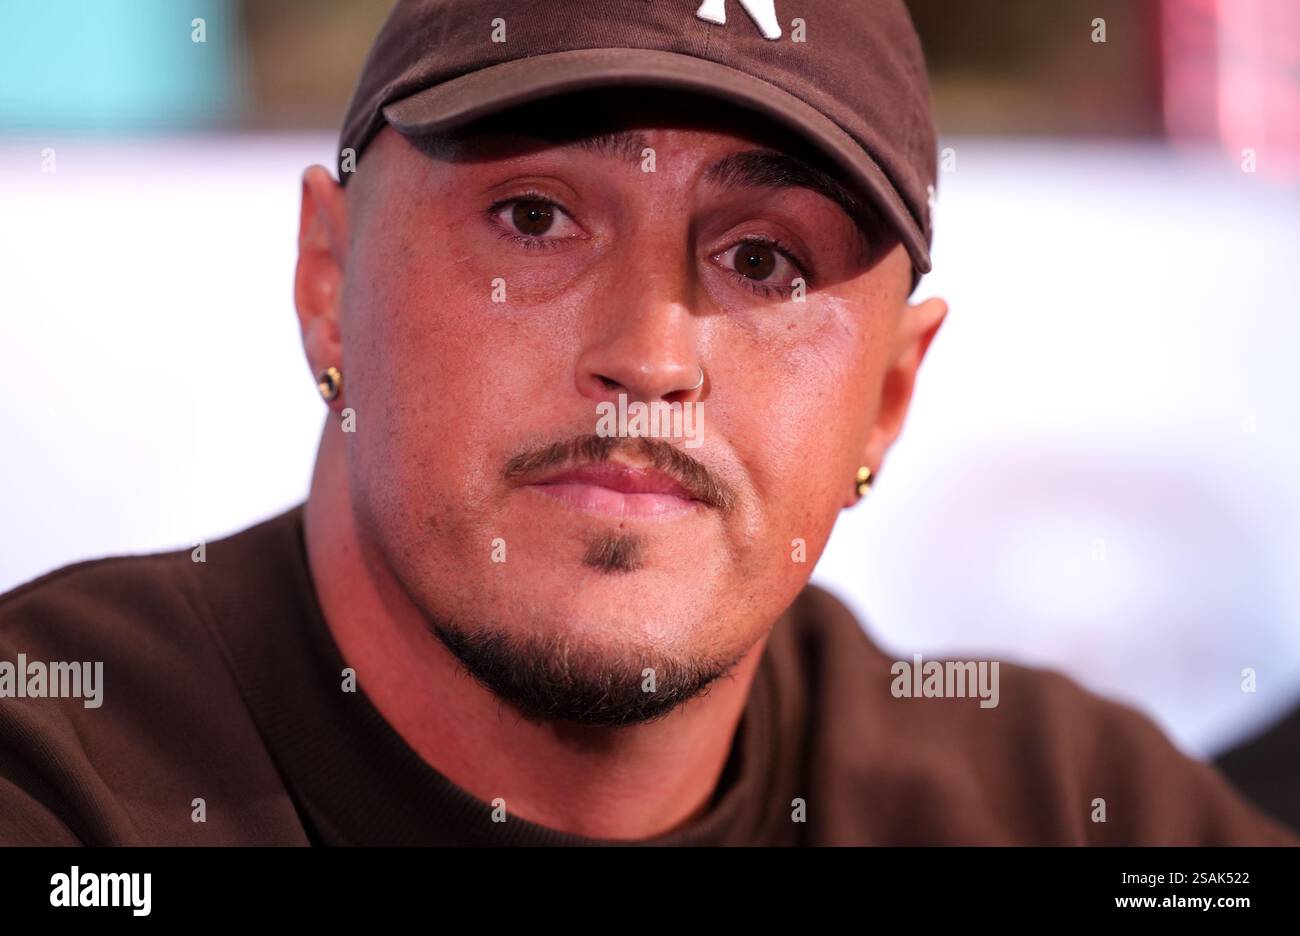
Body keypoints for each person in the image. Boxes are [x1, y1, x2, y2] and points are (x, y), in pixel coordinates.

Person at [1, 0, 1294, 846]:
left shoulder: (1060, 812)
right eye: (536, 219)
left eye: (765, 261)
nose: (650, 356)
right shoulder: (58, 781)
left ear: (890, 400)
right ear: (327, 284)